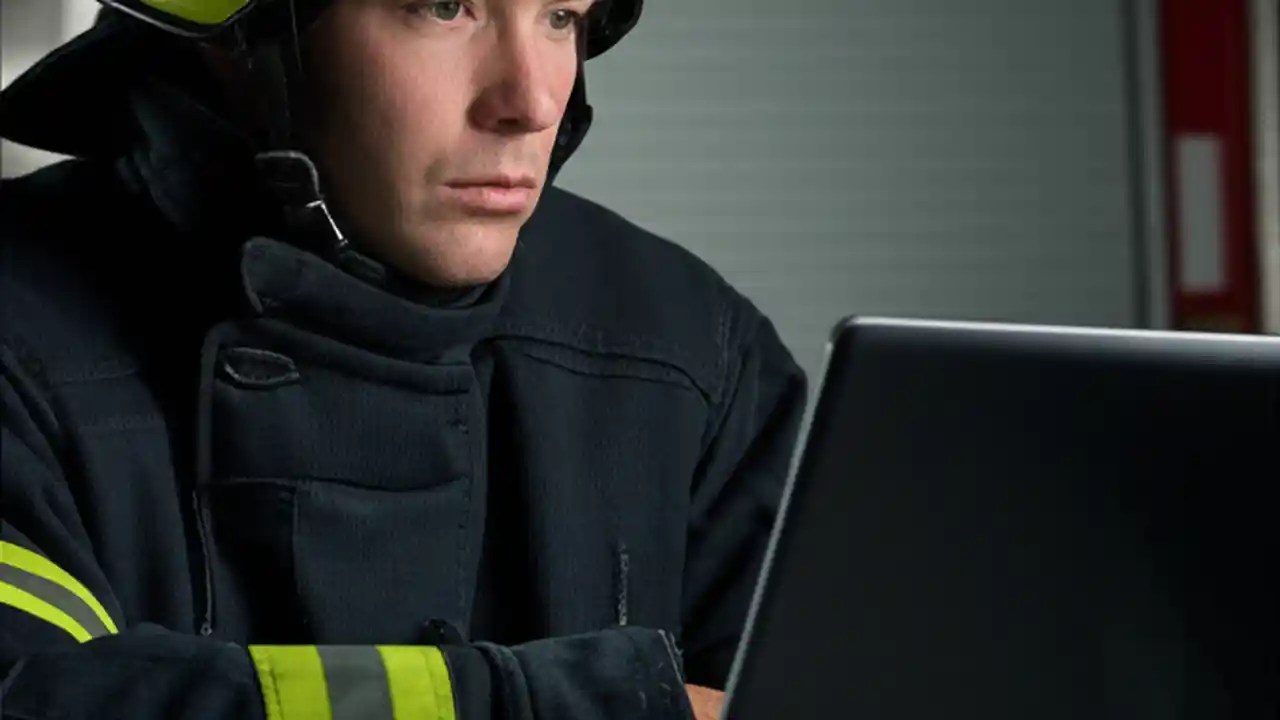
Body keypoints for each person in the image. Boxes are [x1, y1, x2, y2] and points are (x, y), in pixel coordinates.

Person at [0, 1, 808, 718]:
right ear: (241, 39)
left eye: (561, 17)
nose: (529, 103)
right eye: (443, 7)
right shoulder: (20, 332)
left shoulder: (693, 351)